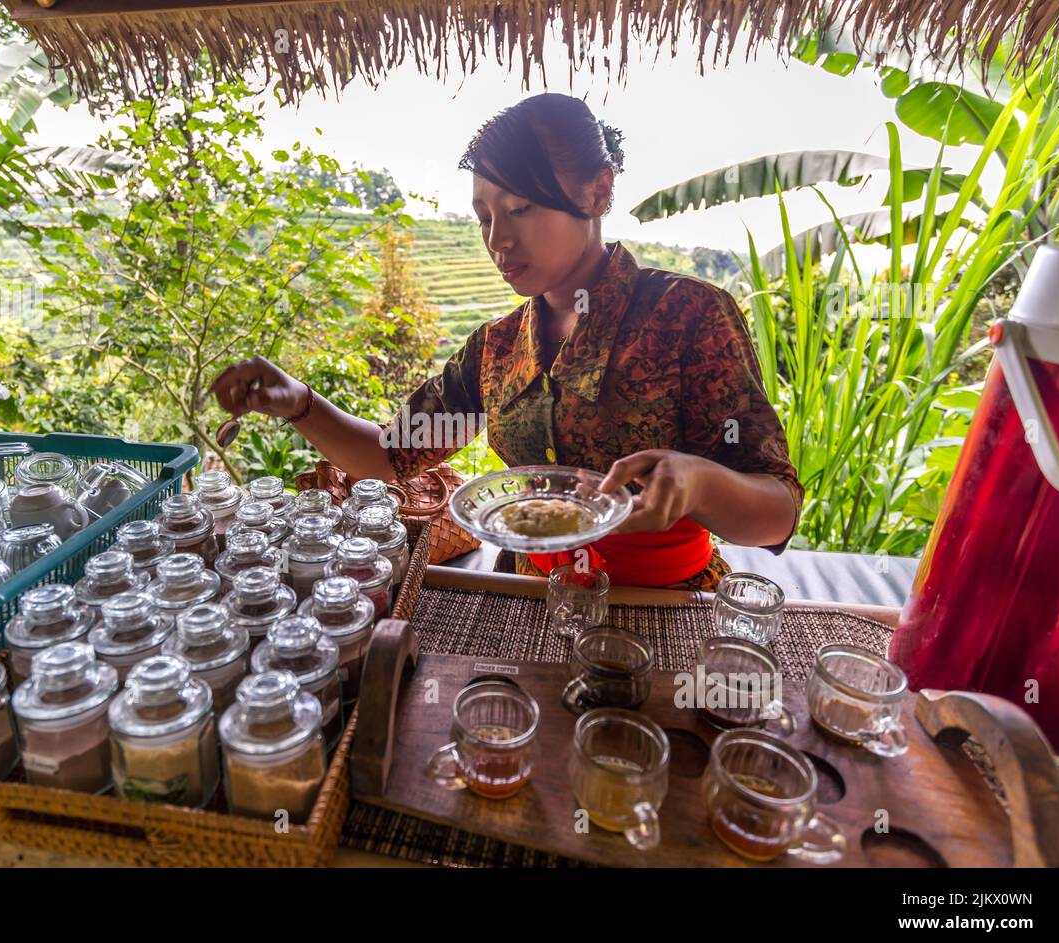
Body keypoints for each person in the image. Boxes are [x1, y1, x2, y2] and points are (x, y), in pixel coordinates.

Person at [210, 93, 801, 590]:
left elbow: (776, 515)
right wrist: (301, 404)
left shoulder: (688, 315)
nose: (498, 240)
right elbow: (390, 457)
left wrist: (700, 479)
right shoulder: (497, 350)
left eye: (519, 209)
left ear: (598, 193)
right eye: (483, 215)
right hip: (529, 598)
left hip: (664, 606)